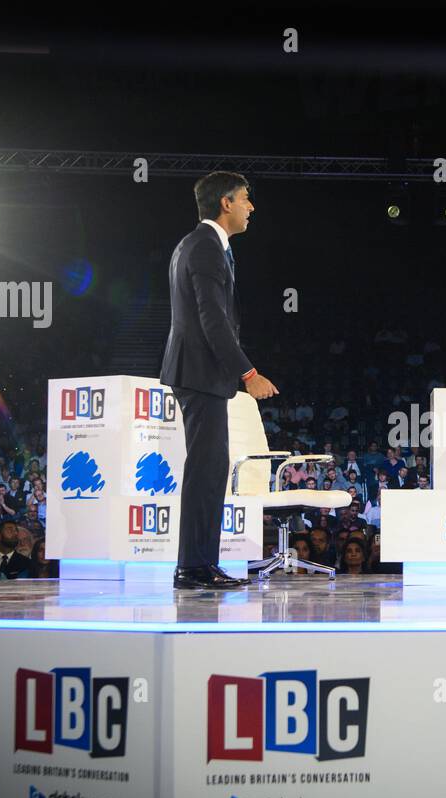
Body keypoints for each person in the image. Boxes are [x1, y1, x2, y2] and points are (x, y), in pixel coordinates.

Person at [159, 171, 277, 590]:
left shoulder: (201, 245)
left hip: (199, 373)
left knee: (209, 469)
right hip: (200, 372)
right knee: (206, 471)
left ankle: (198, 563)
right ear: (225, 203)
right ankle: (193, 567)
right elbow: (213, 320)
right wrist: (248, 373)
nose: (251, 206)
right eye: (246, 198)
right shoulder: (206, 247)